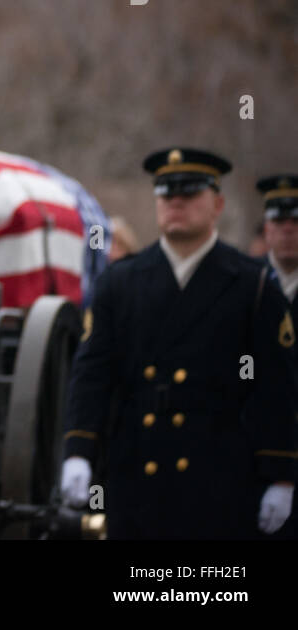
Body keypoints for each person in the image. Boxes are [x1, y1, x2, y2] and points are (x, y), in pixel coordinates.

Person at [60, 148, 297, 538]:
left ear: (217, 203)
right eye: (166, 193)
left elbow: (275, 389)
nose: (176, 202)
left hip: (220, 478)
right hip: (137, 471)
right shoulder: (120, 282)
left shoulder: (251, 283)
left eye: (189, 193)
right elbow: (92, 375)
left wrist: (281, 476)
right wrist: (79, 451)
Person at [257, 175, 298, 303]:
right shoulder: (249, 279)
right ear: (266, 230)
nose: (288, 230)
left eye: (296, 221)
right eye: (279, 221)